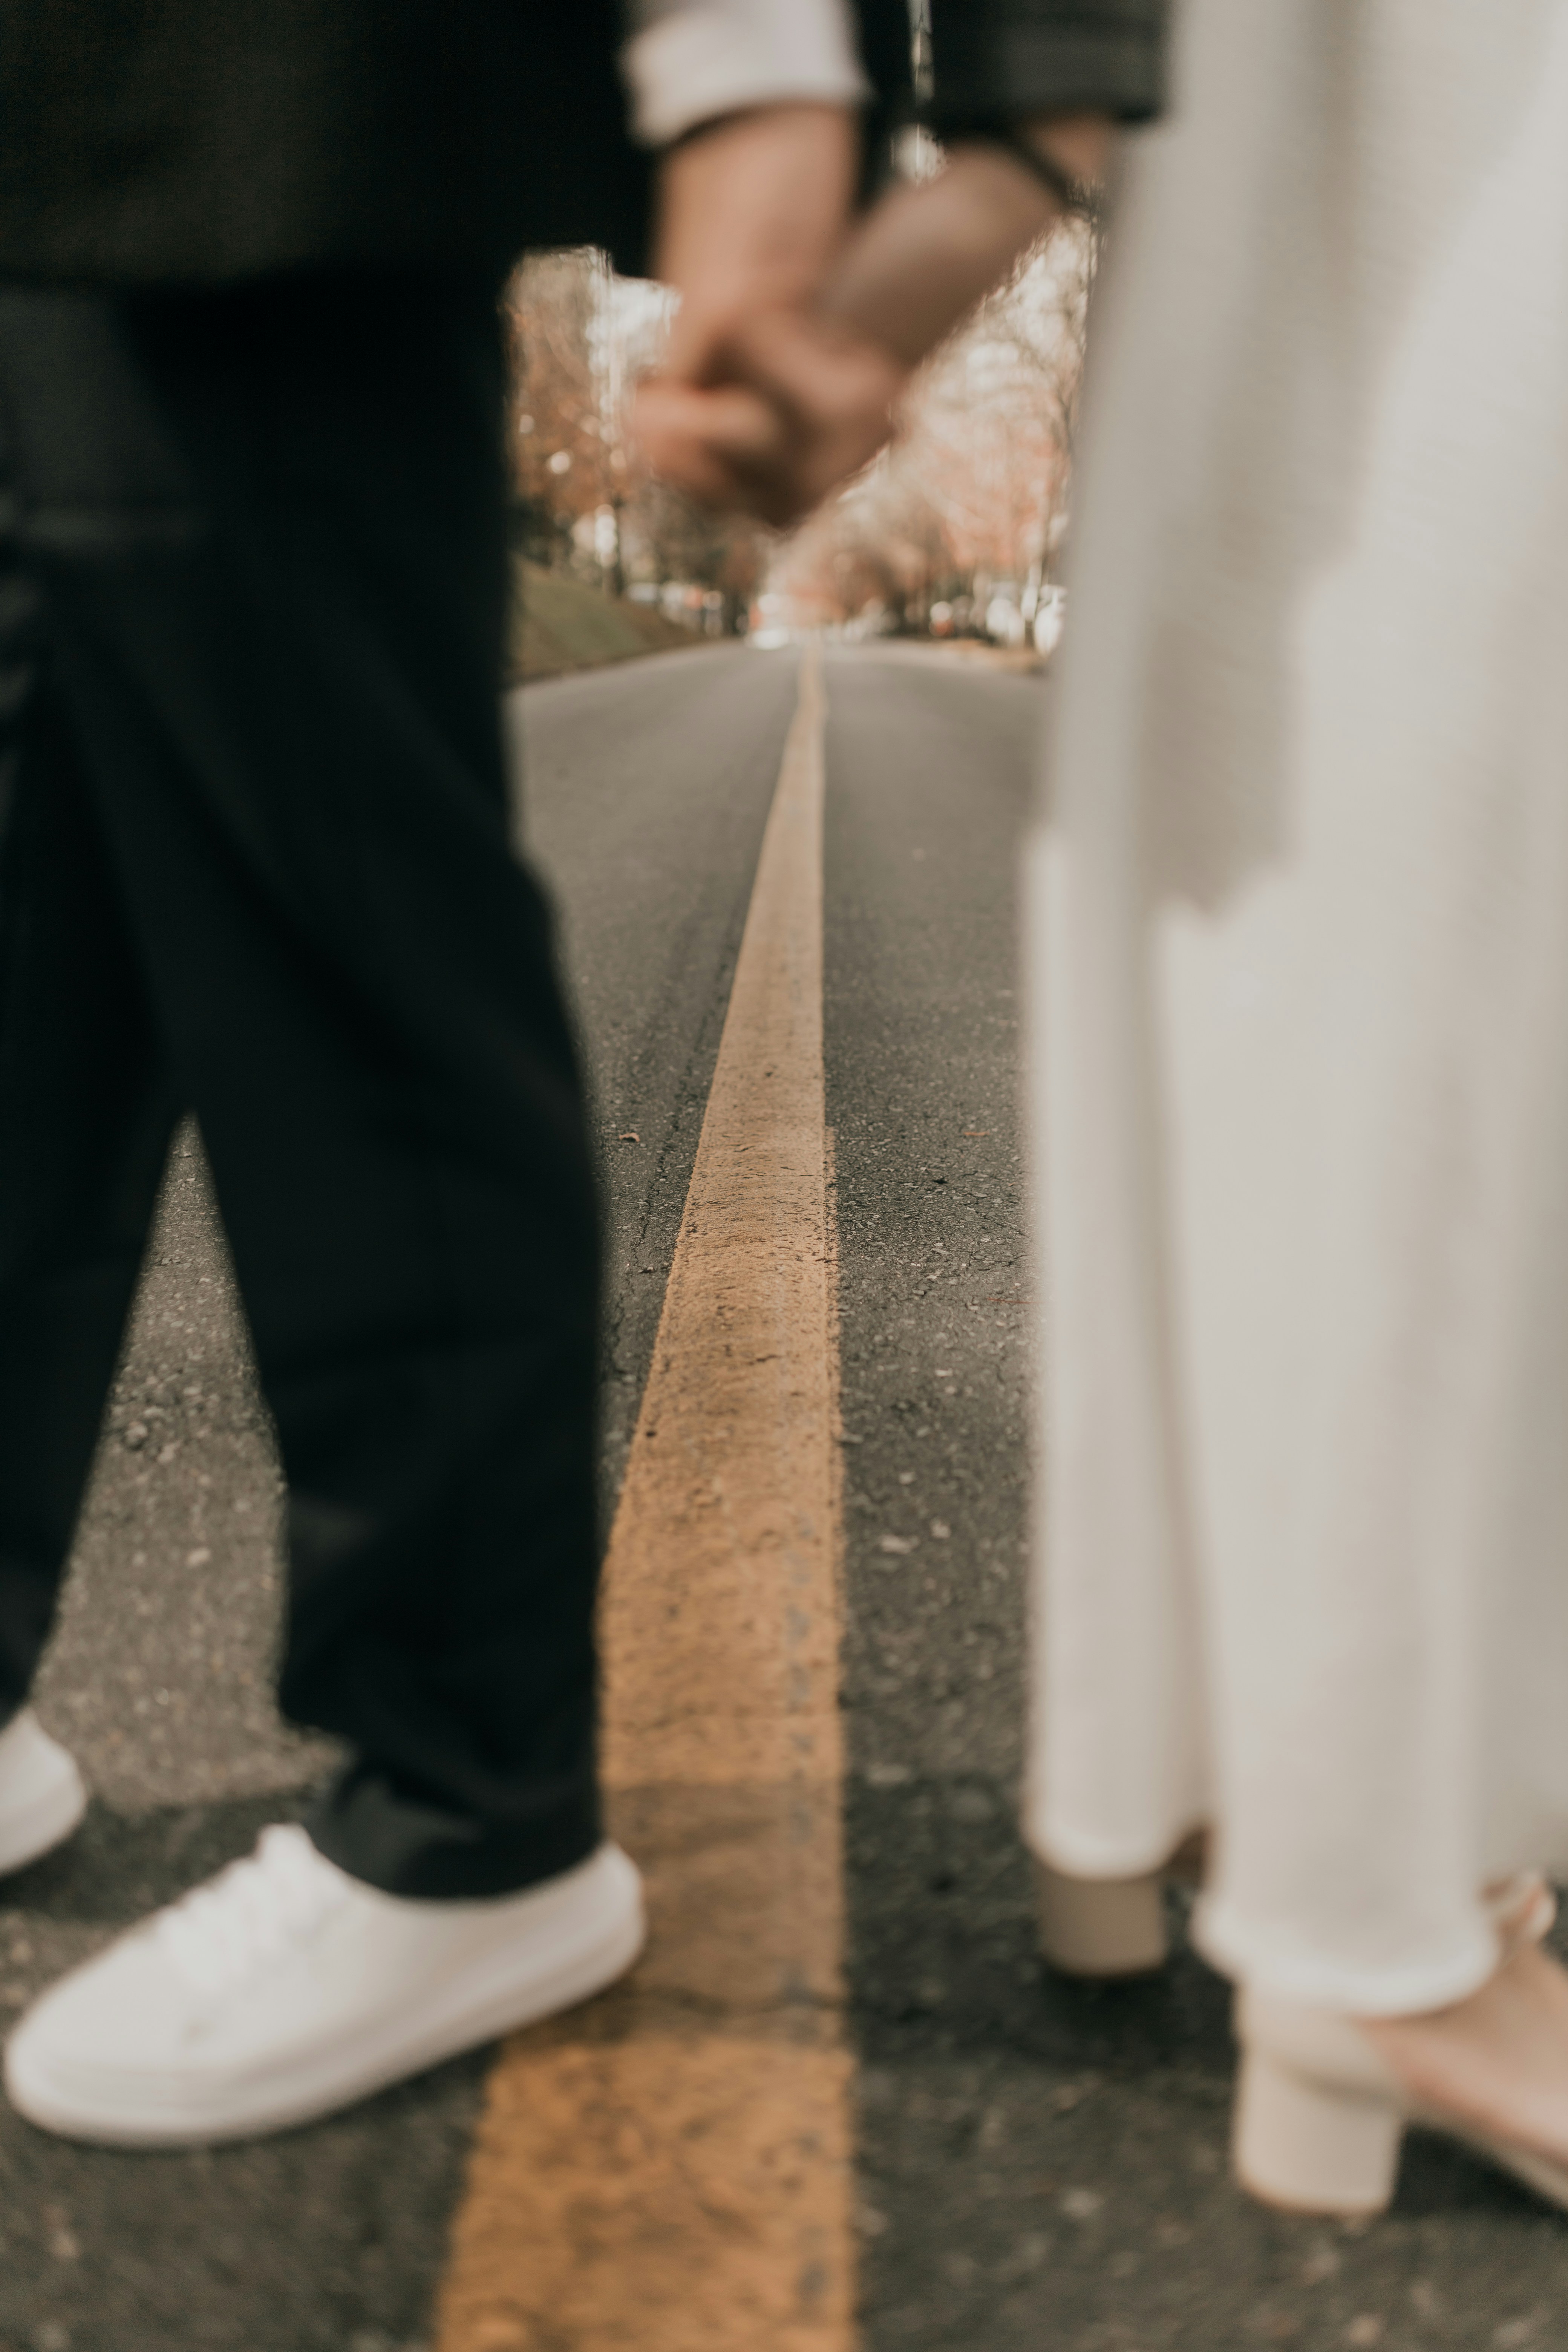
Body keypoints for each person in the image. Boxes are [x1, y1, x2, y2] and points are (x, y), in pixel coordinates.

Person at [658, 0, 1568, 2227]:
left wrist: (1011, 147)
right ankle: (1384, 1909)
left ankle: (1161, 1778)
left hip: (1266, 82)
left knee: (1264, 871)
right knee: (1446, 944)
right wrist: (990, 162)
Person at [0, 0, 876, 2147]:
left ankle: (475, 1806)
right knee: (51, 918)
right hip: (65, 129)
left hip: (266, 115)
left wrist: (754, 68)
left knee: (344, 927)